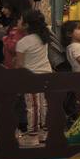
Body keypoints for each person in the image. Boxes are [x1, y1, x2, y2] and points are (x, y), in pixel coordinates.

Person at [13, 9, 53, 145]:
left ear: (26, 25)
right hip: (47, 75)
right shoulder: (43, 38)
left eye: (20, 20)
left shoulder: (23, 42)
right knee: (44, 105)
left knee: (33, 106)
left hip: (31, 77)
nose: (17, 22)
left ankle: (32, 136)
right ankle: (44, 133)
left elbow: (19, 66)